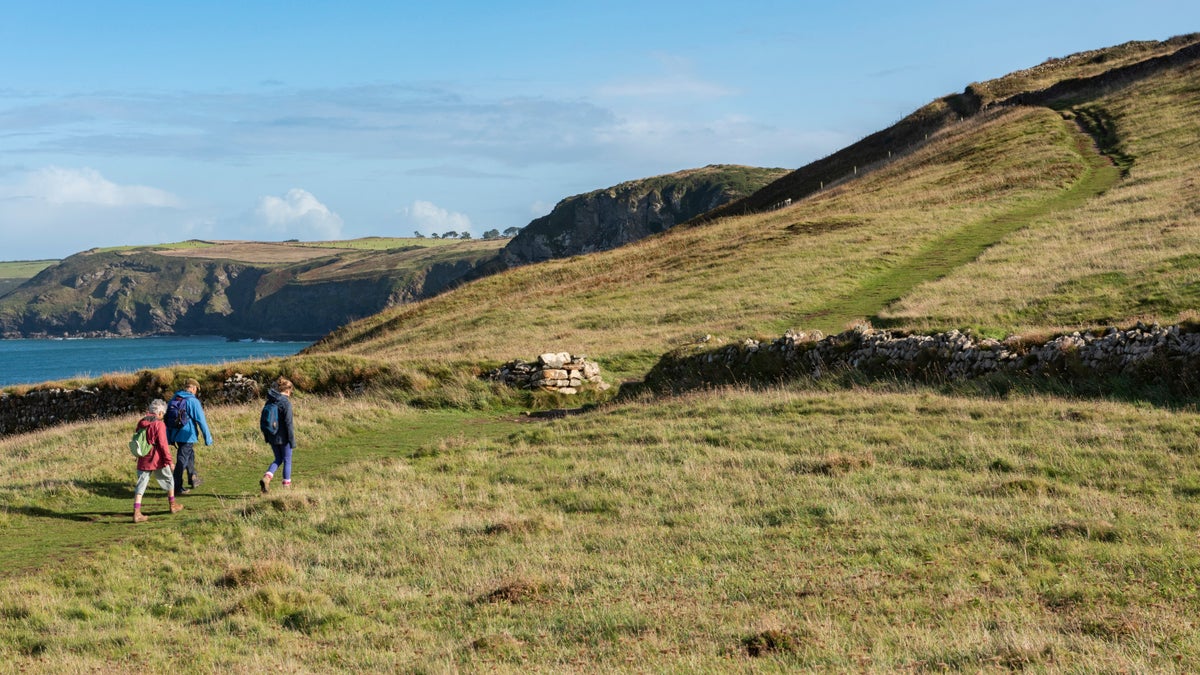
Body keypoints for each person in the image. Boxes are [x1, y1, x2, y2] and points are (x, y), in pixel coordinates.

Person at [134, 399, 183, 522]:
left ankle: (137, 513)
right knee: (169, 479)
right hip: (157, 458)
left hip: (143, 457)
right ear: (160, 413)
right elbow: (163, 444)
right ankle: (173, 505)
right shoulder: (159, 424)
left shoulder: (142, 422)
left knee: (141, 484)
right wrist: (169, 461)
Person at [166, 377, 213, 495]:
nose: (196, 391)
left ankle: (193, 477)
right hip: (187, 435)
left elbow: (167, 419)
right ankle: (177, 487)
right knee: (182, 458)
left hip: (175, 433)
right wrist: (208, 438)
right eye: (196, 389)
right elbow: (201, 420)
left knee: (189, 454)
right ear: (192, 388)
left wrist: (169, 436)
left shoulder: (174, 398)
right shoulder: (192, 401)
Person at [259, 377, 296, 494]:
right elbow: (288, 423)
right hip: (284, 437)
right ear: (288, 390)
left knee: (278, 459)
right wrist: (292, 440)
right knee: (287, 460)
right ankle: (286, 488)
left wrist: (267, 436)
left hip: (272, 435)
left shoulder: (269, 401)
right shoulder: (286, 403)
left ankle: (267, 477)